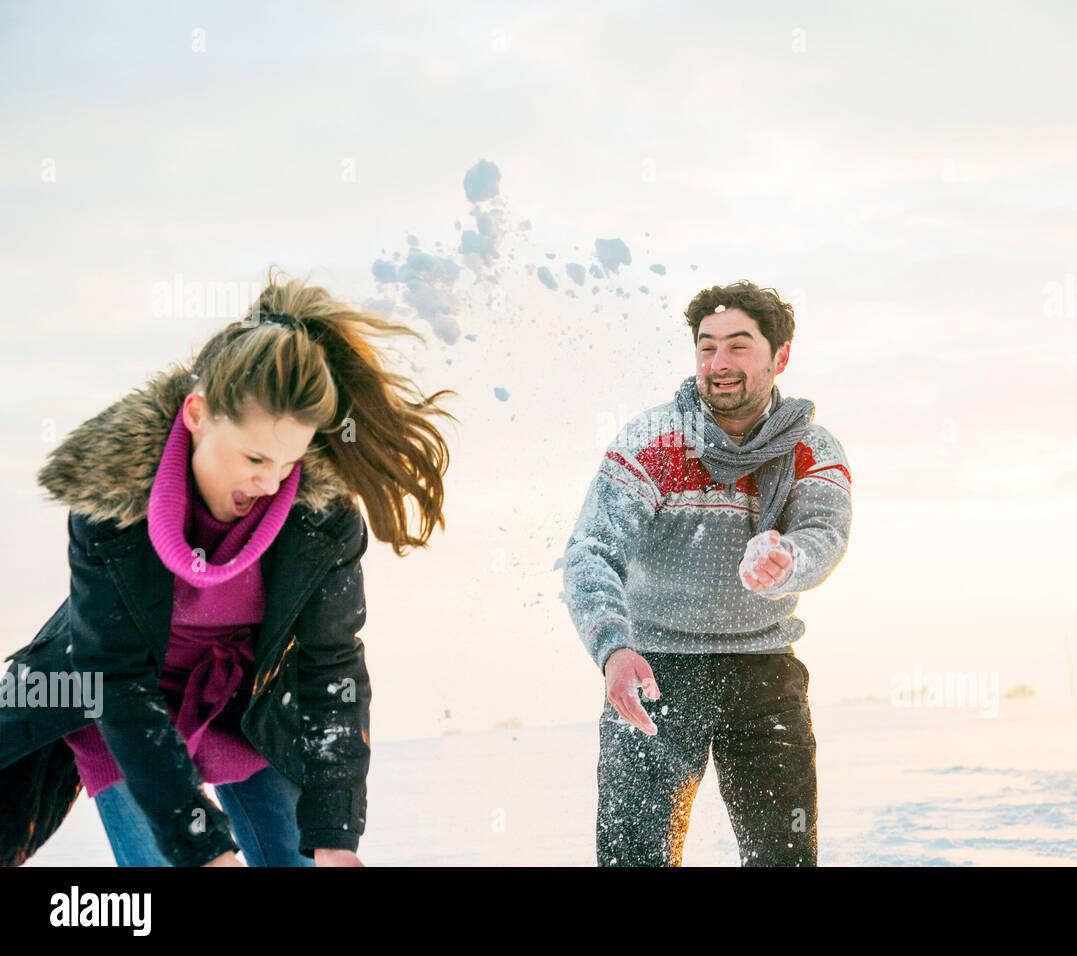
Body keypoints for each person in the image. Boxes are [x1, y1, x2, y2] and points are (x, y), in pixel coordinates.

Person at [0, 270, 454, 867]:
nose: (268, 483)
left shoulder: (320, 519)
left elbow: (332, 667)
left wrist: (337, 832)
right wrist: (202, 846)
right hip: (127, 715)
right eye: (253, 456)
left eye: (287, 461)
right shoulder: (110, 507)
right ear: (196, 415)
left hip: (249, 712)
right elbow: (115, 677)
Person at [562, 279, 852, 866]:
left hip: (765, 675)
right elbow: (592, 552)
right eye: (706, 346)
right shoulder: (653, 441)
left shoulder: (812, 448)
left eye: (738, 346)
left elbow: (823, 534)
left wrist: (786, 560)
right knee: (634, 860)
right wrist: (614, 649)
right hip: (654, 675)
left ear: (781, 356)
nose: (718, 364)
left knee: (785, 859)